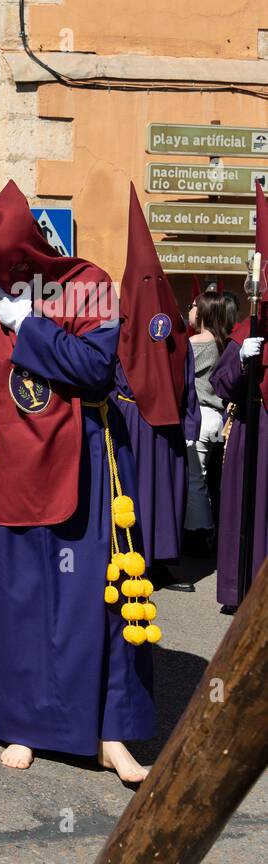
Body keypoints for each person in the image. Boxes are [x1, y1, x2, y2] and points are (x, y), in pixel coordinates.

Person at [0, 180, 153, 783]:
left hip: (86, 467)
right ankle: (21, 723)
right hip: (12, 473)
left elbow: (97, 371)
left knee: (93, 599)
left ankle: (109, 732)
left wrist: (34, 328)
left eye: (14, 265)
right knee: (18, 603)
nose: (5, 280)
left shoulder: (88, 283)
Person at [111, 187, 198, 592]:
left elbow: (187, 368)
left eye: (154, 280)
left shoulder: (171, 326)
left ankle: (162, 558)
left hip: (164, 423)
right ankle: (137, 557)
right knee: (139, 491)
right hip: (132, 421)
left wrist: (188, 418)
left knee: (166, 492)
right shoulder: (119, 326)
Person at [212, 186, 268, 611]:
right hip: (255, 430)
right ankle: (241, 587)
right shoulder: (247, 327)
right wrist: (244, 360)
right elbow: (220, 381)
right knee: (246, 508)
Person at [184, 292, 232, 545]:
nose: (189, 310)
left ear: (202, 311)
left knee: (195, 479)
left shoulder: (197, 343)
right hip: (216, 416)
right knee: (205, 477)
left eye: (192, 306)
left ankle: (201, 533)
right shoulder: (221, 341)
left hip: (201, 415)